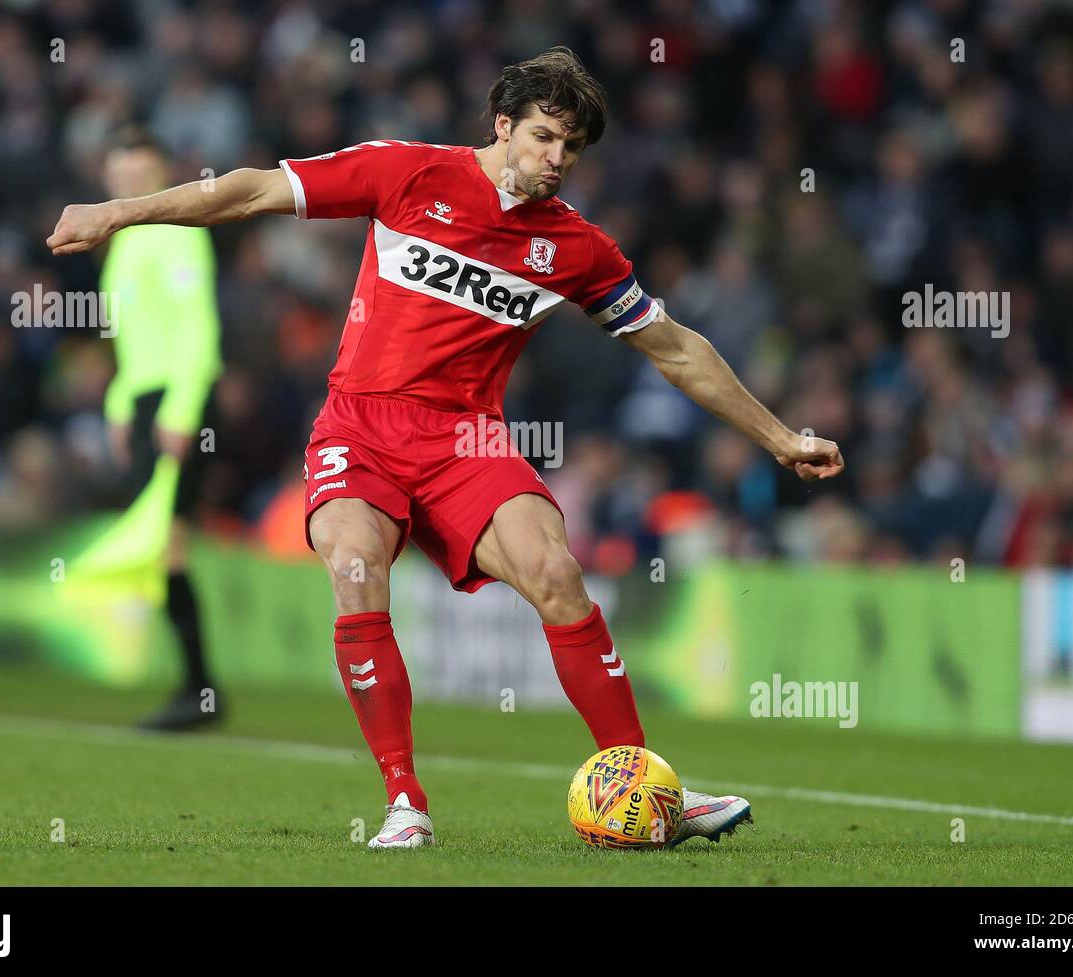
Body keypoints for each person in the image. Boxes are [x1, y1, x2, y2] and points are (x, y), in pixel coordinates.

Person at [47, 49, 844, 847]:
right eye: (542, 137)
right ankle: (405, 800)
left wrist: (780, 436)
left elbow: (675, 349)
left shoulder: (575, 248)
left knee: (558, 574)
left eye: (571, 148)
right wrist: (118, 211)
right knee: (357, 571)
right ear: (502, 124)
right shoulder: (404, 172)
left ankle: (644, 785)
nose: (556, 160)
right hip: (360, 427)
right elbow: (251, 188)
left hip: (467, 440)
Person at [98, 126, 225, 731]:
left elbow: (196, 328)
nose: (126, 183)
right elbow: (134, 338)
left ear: (160, 173)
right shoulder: (125, 239)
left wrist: (179, 411)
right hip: (148, 400)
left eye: (138, 175)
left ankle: (199, 691)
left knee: (168, 546)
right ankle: (196, 688)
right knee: (162, 549)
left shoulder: (174, 230)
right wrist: (122, 404)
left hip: (179, 401)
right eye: (118, 175)